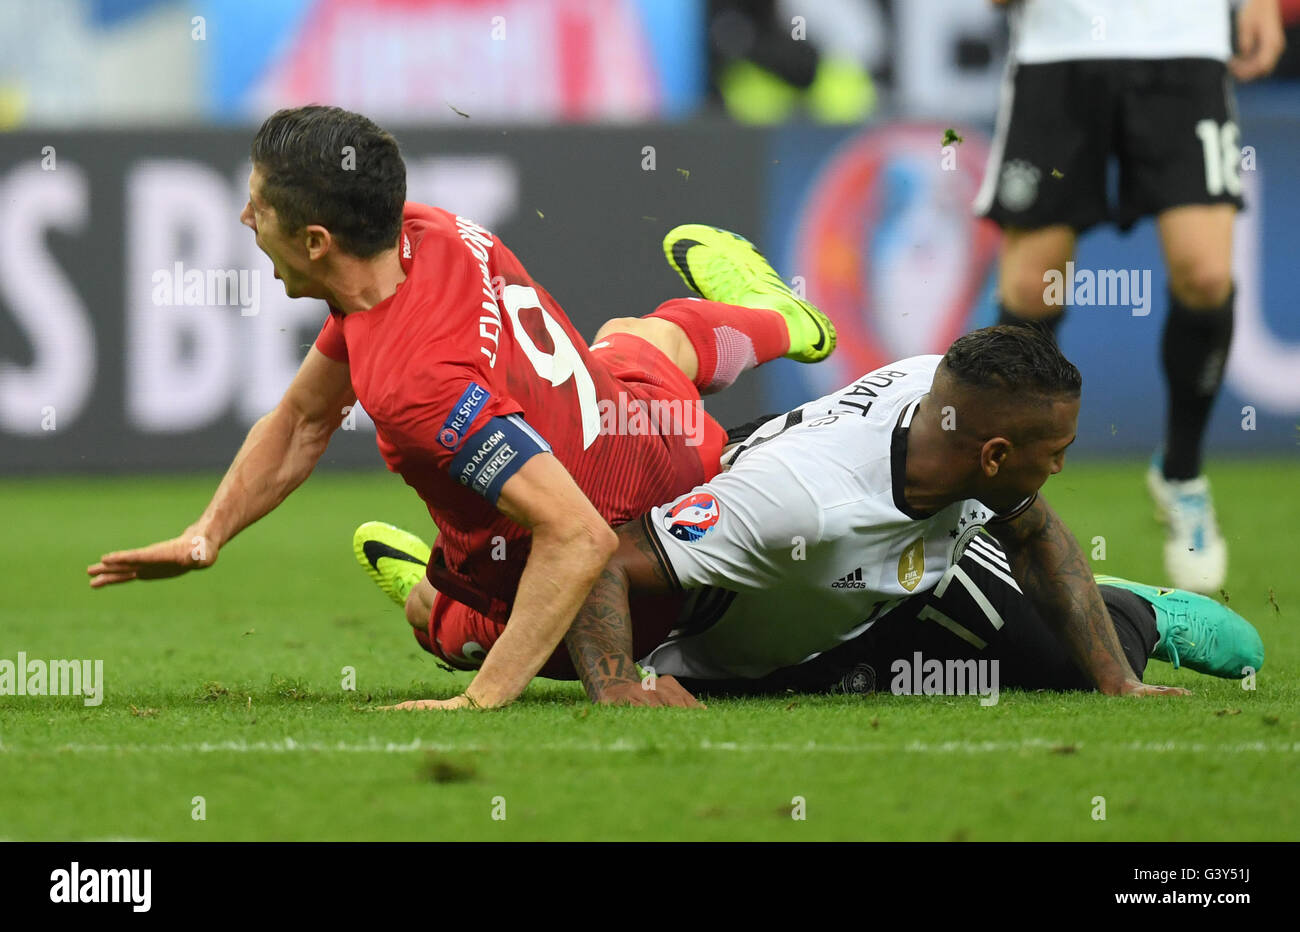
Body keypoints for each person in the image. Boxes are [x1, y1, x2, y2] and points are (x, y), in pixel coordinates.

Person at [85, 104, 836, 710]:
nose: (246, 223)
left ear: (316, 241)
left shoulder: (416, 386)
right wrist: (206, 533)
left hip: (644, 579)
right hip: (669, 442)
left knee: (441, 621)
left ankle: (446, 594)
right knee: (636, 340)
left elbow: (577, 538)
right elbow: (302, 420)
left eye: (257, 210)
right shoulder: (428, 232)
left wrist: (480, 701)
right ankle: (786, 320)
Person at [554, 327, 1264, 707]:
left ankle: (1141, 612)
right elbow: (608, 558)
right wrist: (616, 685)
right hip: (786, 567)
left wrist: (1119, 679)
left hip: (894, 582)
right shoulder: (798, 506)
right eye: (1055, 453)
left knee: (1062, 664)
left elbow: (1037, 528)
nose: (1059, 470)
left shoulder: (959, 416)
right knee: (479, 635)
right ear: (991, 455)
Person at [976, 0, 1286, 593]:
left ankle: (1182, 474)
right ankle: (1000, 501)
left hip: (1183, 38)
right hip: (1059, 44)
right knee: (1029, 283)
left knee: (1206, 273)